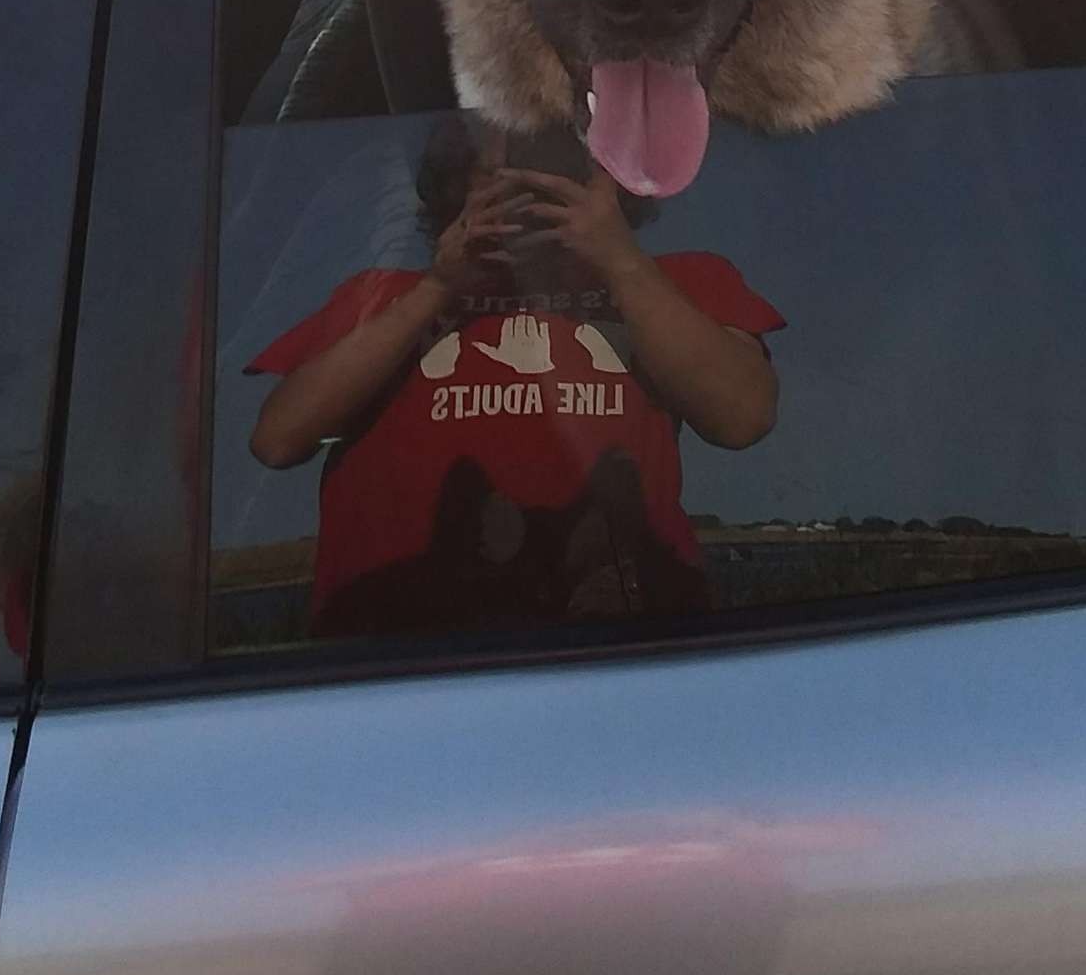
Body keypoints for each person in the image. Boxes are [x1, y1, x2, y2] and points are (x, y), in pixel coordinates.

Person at [248, 119, 780, 635]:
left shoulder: (674, 286)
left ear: (606, 181)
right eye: (495, 171)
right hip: (397, 633)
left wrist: (619, 261)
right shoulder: (382, 295)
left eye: (554, 165)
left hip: (621, 627)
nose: (526, 189)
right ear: (455, 188)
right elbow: (279, 437)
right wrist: (438, 288)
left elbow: (742, 416)